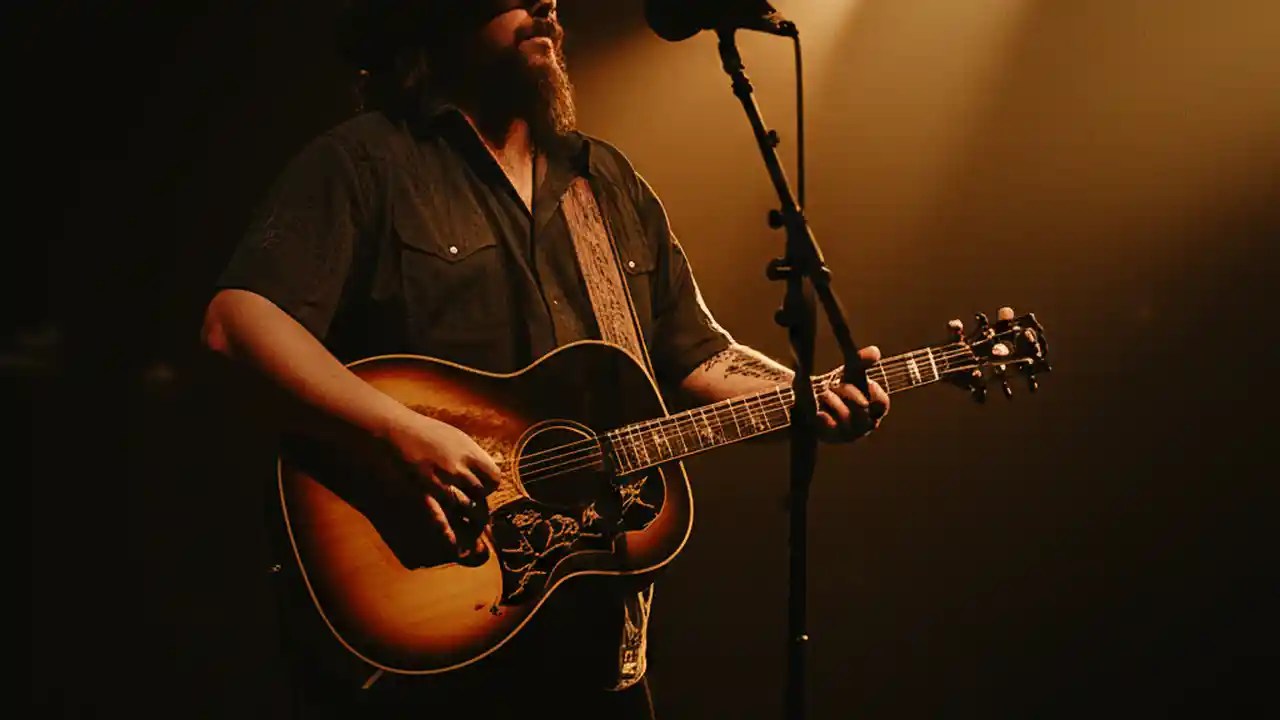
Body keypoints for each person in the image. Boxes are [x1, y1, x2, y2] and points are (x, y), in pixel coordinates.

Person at [200, 1, 889, 717]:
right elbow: (238, 324)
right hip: (432, 643)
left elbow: (696, 351)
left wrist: (809, 392)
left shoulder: (605, 180)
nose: (547, 2)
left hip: (598, 653)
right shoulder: (367, 162)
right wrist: (394, 433)